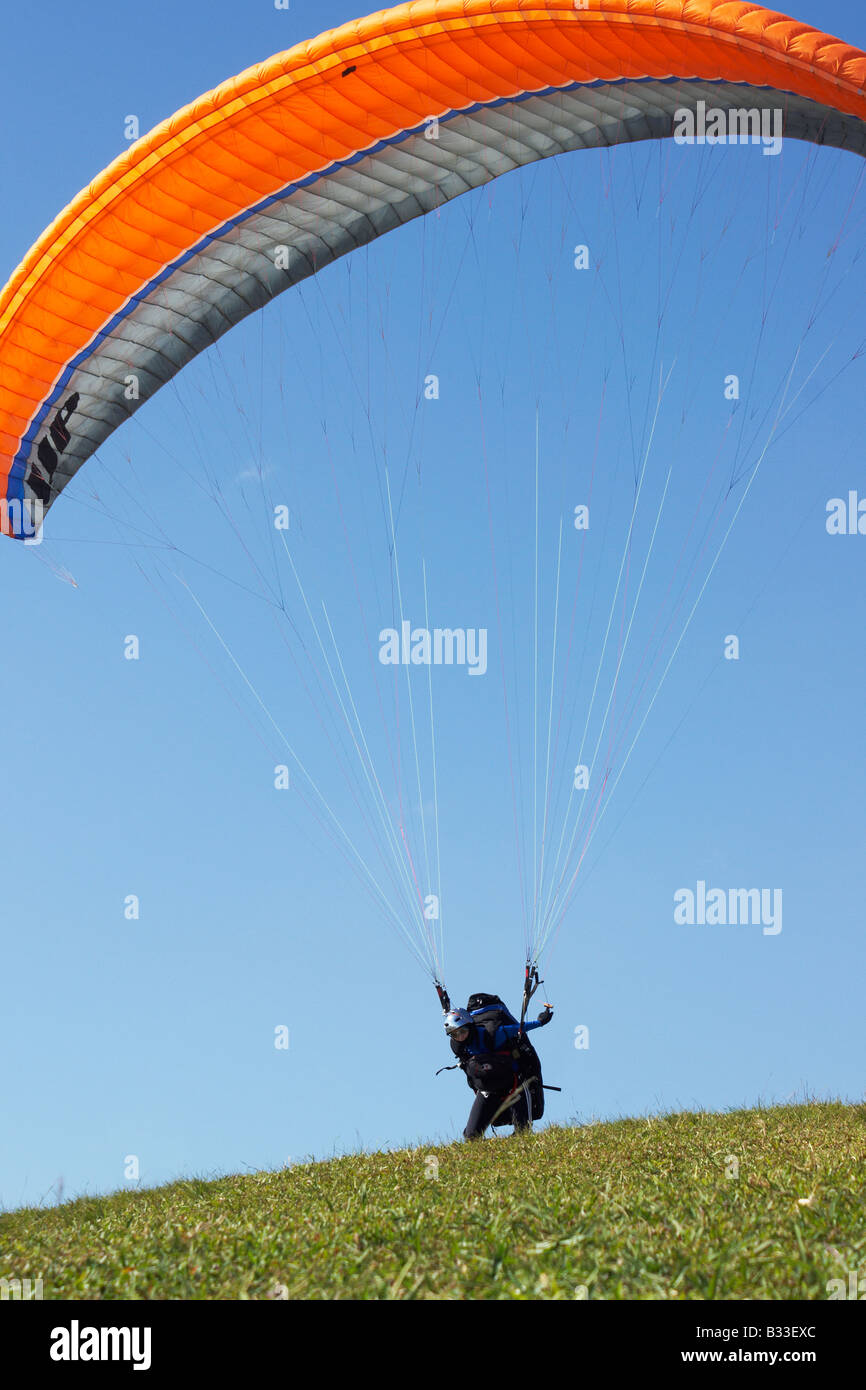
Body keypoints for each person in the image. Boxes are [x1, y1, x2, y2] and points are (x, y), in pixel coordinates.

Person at [444, 1000, 553, 1141]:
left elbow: (519, 1028)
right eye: (455, 1034)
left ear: (470, 1025)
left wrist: (540, 1022)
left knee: (523, 1133)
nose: (460, 1037)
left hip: (514, 1086)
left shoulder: (492, 1034)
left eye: (462, 1031)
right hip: (487, 1091)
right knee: (471, 1138)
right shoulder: (458, 1046)